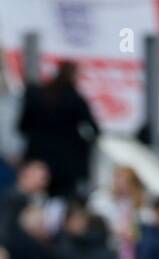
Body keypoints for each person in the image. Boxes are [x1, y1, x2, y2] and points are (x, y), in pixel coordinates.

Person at [17, 62, 99, 199]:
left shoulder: (37, 96)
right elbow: (94, 130)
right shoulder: (74, 99)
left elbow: (22, 127)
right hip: (66, 167)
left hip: (38, 159)